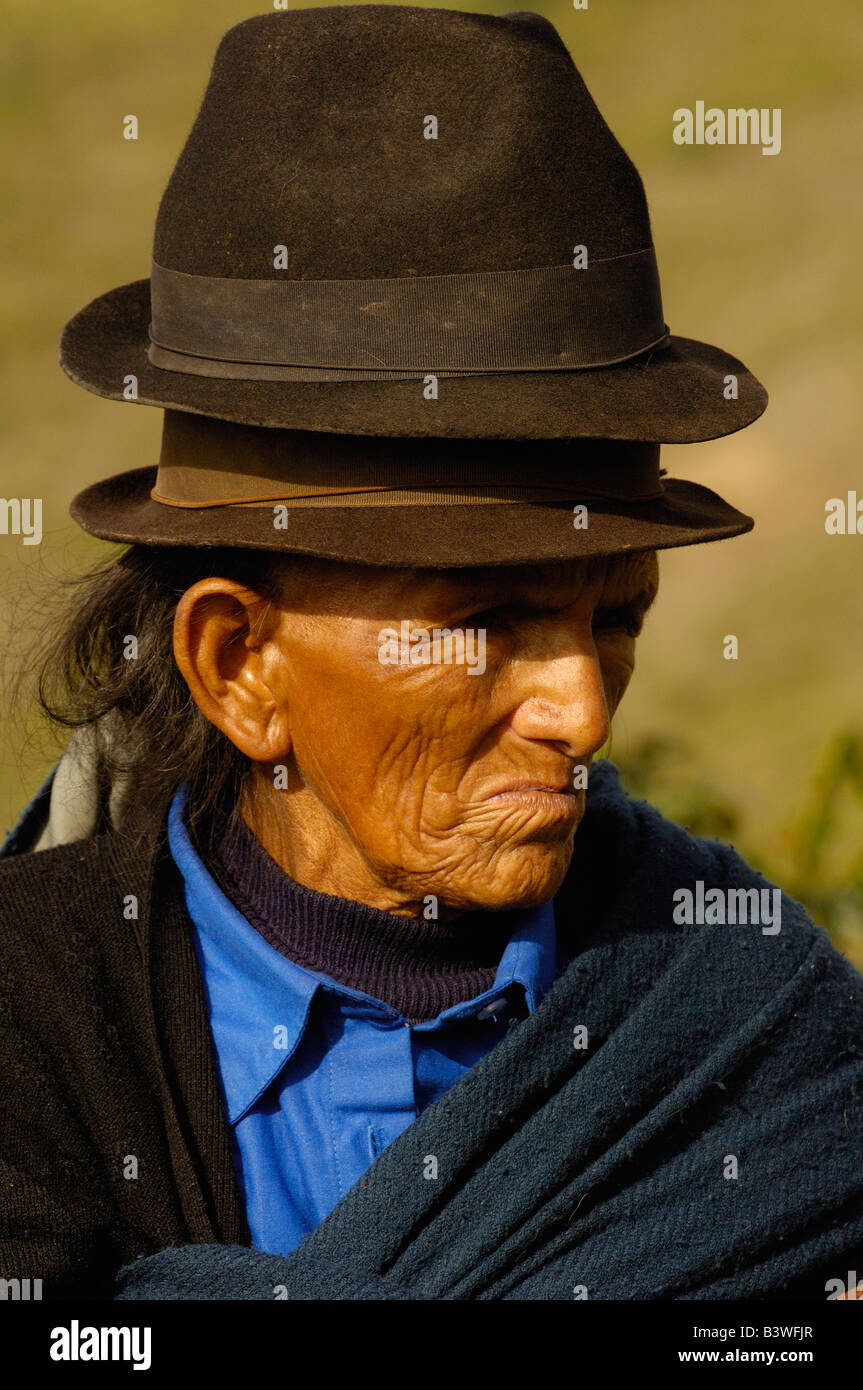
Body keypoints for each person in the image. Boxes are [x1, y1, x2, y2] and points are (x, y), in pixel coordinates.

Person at [2, 6, 861, 1301]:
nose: (581, 712)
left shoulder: (757, 1029)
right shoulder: (28, 1037)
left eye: (614, 616)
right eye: (482, 626)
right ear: (240, 662)